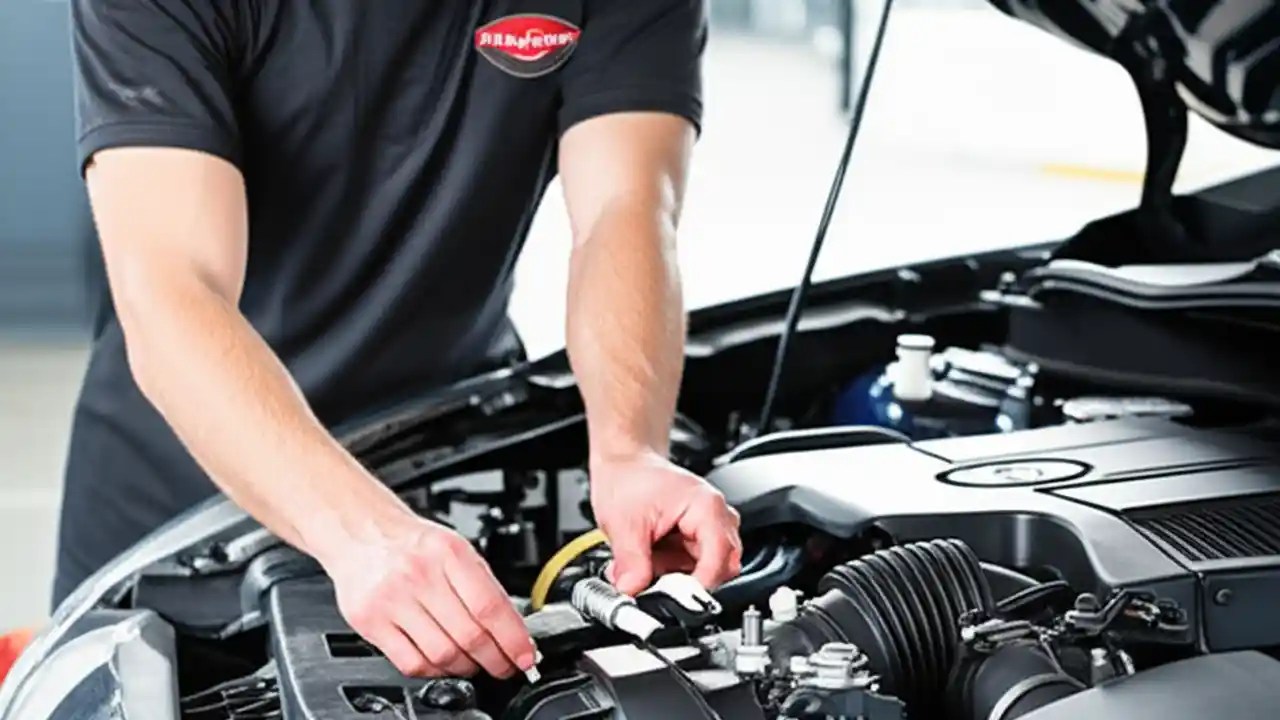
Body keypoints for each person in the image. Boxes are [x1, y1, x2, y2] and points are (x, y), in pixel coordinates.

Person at [58, 0, 743, 681]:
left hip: (446, 467)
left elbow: (623, 208)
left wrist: (630, 448)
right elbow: (174, 289)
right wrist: (364, 535)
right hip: (184, 511)